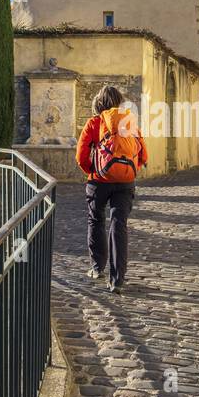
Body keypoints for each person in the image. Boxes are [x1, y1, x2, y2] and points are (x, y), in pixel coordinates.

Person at [75, 85, 147, 293]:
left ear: (99, 103)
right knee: (119, 225)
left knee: (96, 220)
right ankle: (117, 279)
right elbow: (143, 155)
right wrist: (129, 170)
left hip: (98, 181)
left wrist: (94, 171)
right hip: (125, 182)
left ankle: (97, 268)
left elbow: (81, 155)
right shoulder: (128, 123)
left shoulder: (94, 123)